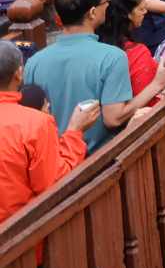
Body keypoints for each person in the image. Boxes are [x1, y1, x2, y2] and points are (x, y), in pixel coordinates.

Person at [25, 0, 165, 152]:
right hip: (99, 159)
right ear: (92, 13)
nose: (108, 5)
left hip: (56, 159)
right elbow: (114, 118)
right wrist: (158, 83)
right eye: (105, 1)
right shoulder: (112, 57)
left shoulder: (34, 62)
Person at [1, 41, 99, 223]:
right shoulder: (35, 123)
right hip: (20, 232)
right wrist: (75, 131)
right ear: (19, 74)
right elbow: (53, 184)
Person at [97, 0, 158, 97]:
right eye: (141, 8)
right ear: (127, 14)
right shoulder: (137, 53)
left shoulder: (94, 46)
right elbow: (148, 100)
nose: (145, 12)